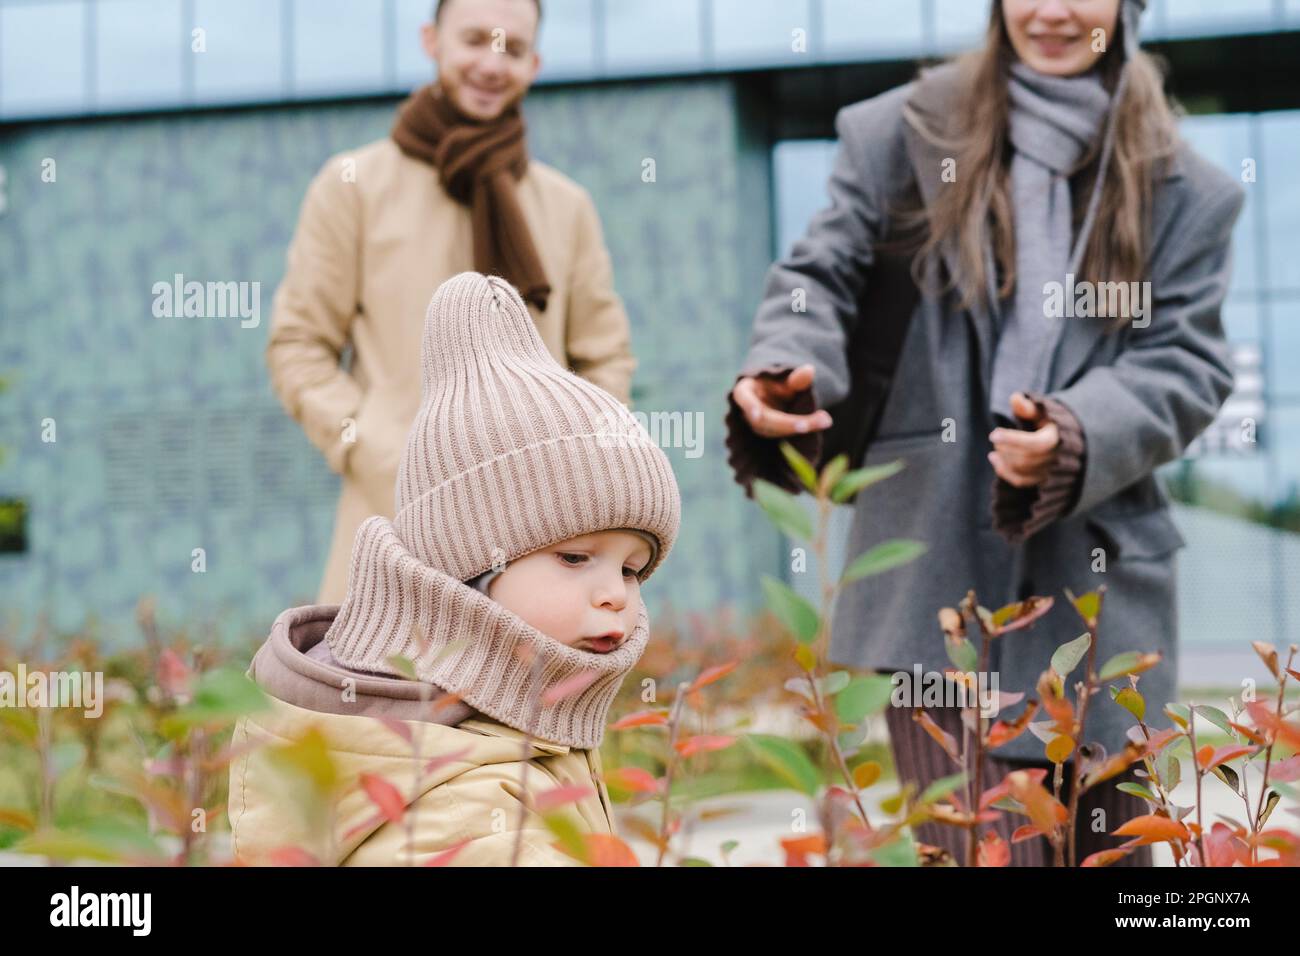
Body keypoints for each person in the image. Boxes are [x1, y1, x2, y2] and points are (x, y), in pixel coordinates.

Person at [724, 0, 1244, 866]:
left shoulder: (1188, 190)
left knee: (1112, 869)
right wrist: (784, 359)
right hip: (933, 575)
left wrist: (1075, 433)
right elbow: (820, 272)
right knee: (981, 854)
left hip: (1101, 594)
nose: (1047, 10)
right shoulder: (898, 132)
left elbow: (1188, 363)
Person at [230, 273, 681, 866]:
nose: (615, 596)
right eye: (574, 557)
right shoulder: (455, 794)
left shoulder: (512, 721)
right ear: (465, 569)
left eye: (632, 569)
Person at [266, 0, 637, 605]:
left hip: (540, 540)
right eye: (473, 41)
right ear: (430, 40)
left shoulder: (567, 207)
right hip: (392, 528)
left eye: (512, 49)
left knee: (528, 701)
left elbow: (605, 362)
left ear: (535, 64)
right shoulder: (352, 186)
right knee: (384, 695)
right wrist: (378, 450)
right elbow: (298, 347)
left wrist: (570, 478)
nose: (492, 64)